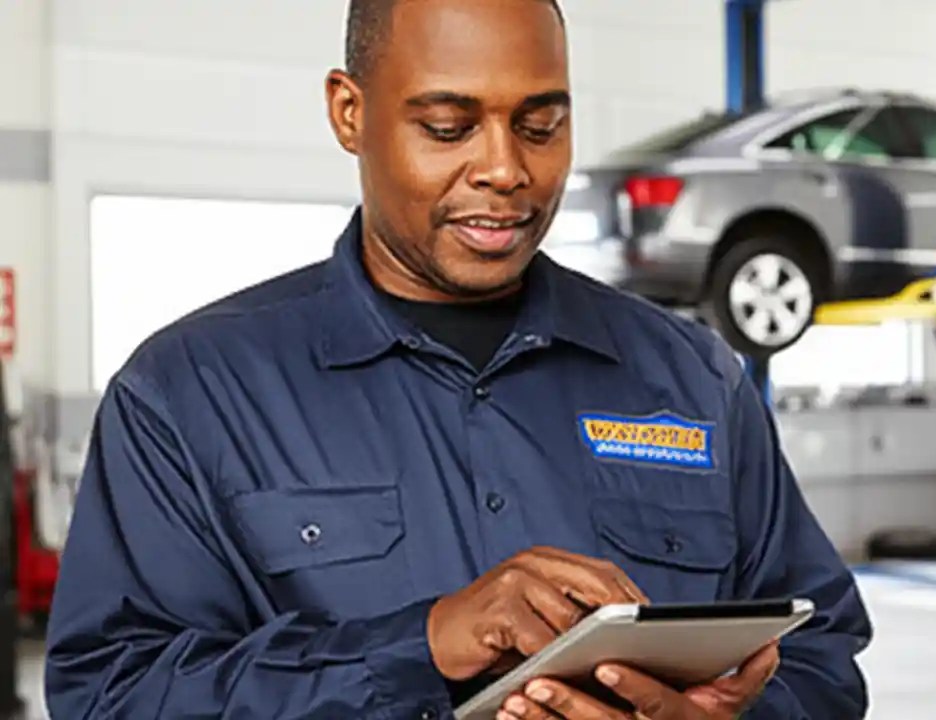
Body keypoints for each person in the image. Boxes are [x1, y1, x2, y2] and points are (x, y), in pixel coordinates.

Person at [44, 0, 873, 717]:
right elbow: (115, 693)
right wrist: (425, 644)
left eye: (541, 124)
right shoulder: (190, 393)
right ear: (348, 112)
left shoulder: (692, 379)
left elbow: (823, 646)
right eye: (448, 128)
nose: (506, 169)